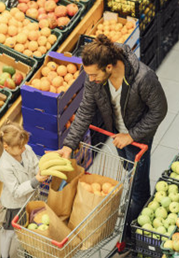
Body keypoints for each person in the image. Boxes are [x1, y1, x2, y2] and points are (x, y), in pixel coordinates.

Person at [57, 34, 168, 241]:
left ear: (109, 67)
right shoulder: (94, 75)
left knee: (138, 189)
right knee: (128, 170)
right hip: (118, 134)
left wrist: (131, 135)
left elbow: (159, 111)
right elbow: (85, 110)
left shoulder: (144, 78)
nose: (90, 79)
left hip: (138, 137)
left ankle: (130, 238)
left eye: (93, 75)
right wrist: (68, 145)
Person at [0, 121, 48, 258]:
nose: (24, 149)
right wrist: (36, 180)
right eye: (20, 147)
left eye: (24, 145)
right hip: (13, 205)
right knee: (10, 233)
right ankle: (4, 255)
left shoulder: (27, 150)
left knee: (29, 226)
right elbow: (16, 191)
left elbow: (35, 165)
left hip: (31, 199)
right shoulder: (3, 167)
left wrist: (42, 170)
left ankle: (28, 250)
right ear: (6, 147)